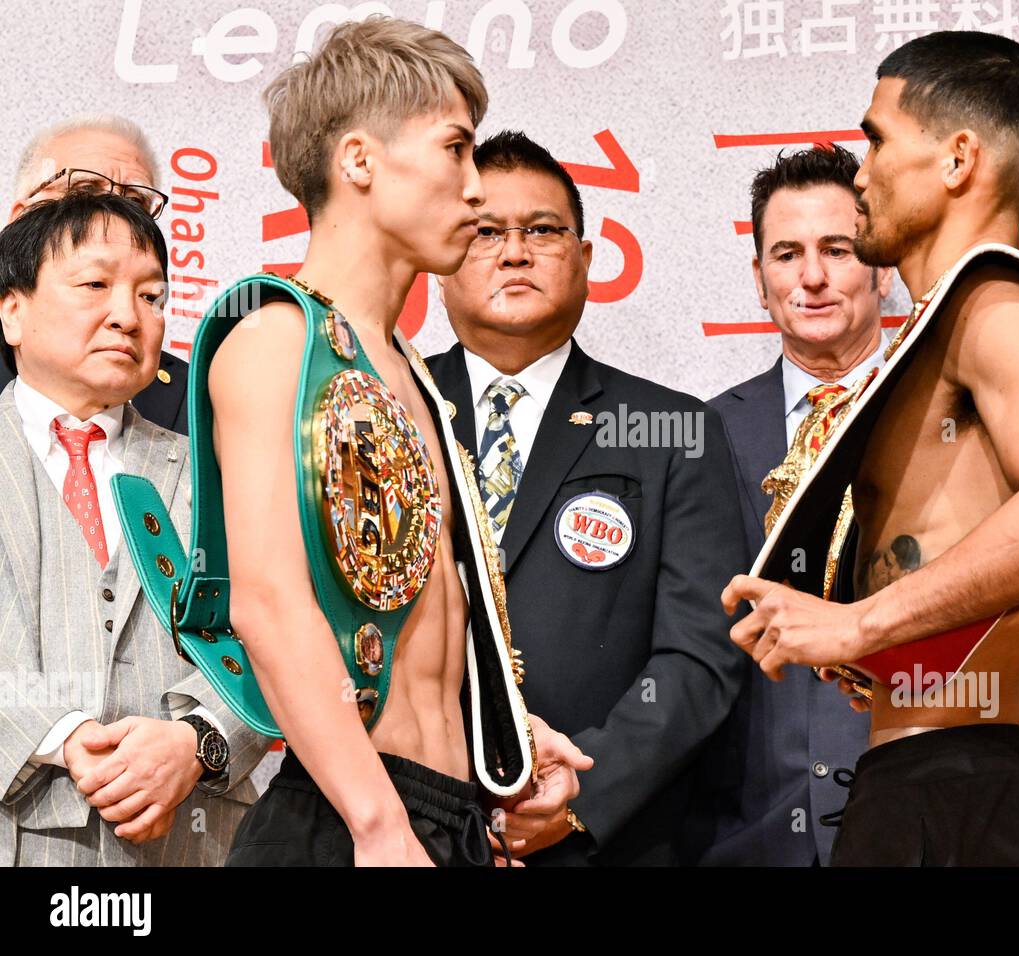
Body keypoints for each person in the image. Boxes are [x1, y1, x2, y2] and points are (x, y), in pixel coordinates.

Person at [722, 30, 1019, 866]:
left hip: (940, 795)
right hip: (968, 782)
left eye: (876, 139)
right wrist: (917, 648)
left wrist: (860, 623)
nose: (859, 170)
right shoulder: (998, 320)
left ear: (956, 160)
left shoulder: (994, 312)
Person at [150, 17, 591, 868]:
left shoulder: (414, 373)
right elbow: (268, 604)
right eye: (455, 149)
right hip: (345, 822)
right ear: (359, 161)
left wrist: (511, 739)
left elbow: (428, 624)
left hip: (444, 821)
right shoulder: (276, 337)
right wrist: (379, 825)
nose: (477, 188)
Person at [428, 130, 747, 865]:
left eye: (543, 230)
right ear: (439, 265)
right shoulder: (385, 409)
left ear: (586, 260)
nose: (515, 252)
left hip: (605, 840)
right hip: (409, 825)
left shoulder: (674, 428)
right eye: (484, 234)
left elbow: (699, 654)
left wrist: (582, 792)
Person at [0, 191, 267, 865]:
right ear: (12, 310)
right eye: (95, 284)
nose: (128, 316)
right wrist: (59, 735)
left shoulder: (216, 475)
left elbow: (276, 636)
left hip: (189, 842)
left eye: (152, 298)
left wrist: (199, 739)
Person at [700, 146, 887, 865]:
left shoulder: (950, 417)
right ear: (759, 278)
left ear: (882, 263)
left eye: (838, 250)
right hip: (745, 834)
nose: (812, 277)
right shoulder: (700, 435)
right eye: (787, 254)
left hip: (917, 820)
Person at [1, 115, 188, 432]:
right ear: (23, 219)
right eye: (85, 191)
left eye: (135, 202)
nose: (113, 215)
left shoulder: (197, 395)